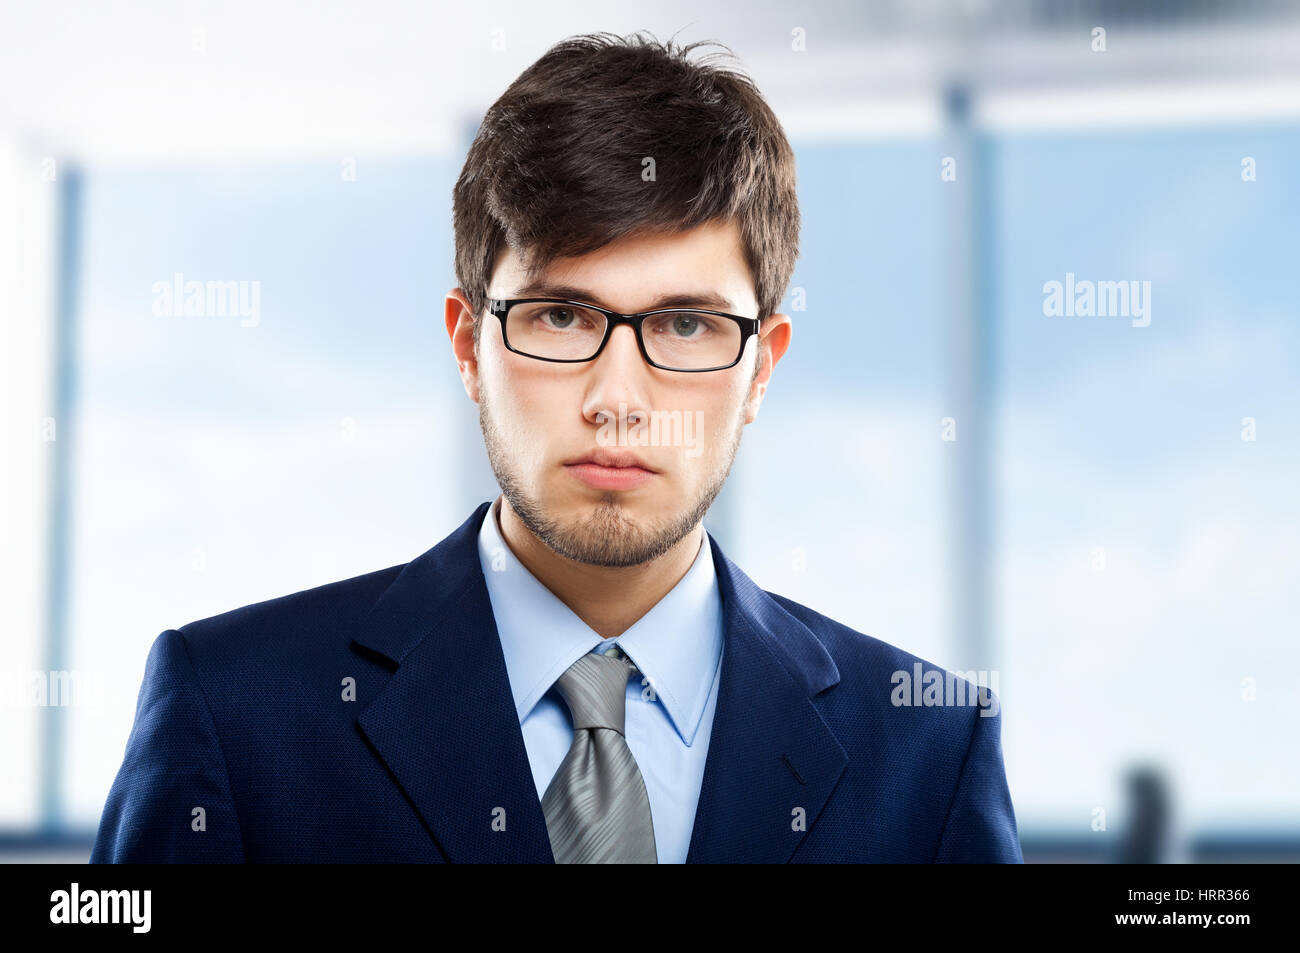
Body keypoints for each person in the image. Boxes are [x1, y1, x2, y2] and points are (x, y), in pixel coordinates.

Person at [91, 31, 1022, 863]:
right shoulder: (236, 711)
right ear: (468, 344)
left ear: (762, 370)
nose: (618, 400)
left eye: (688, 325)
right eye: (562, 315)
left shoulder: (929, 756)